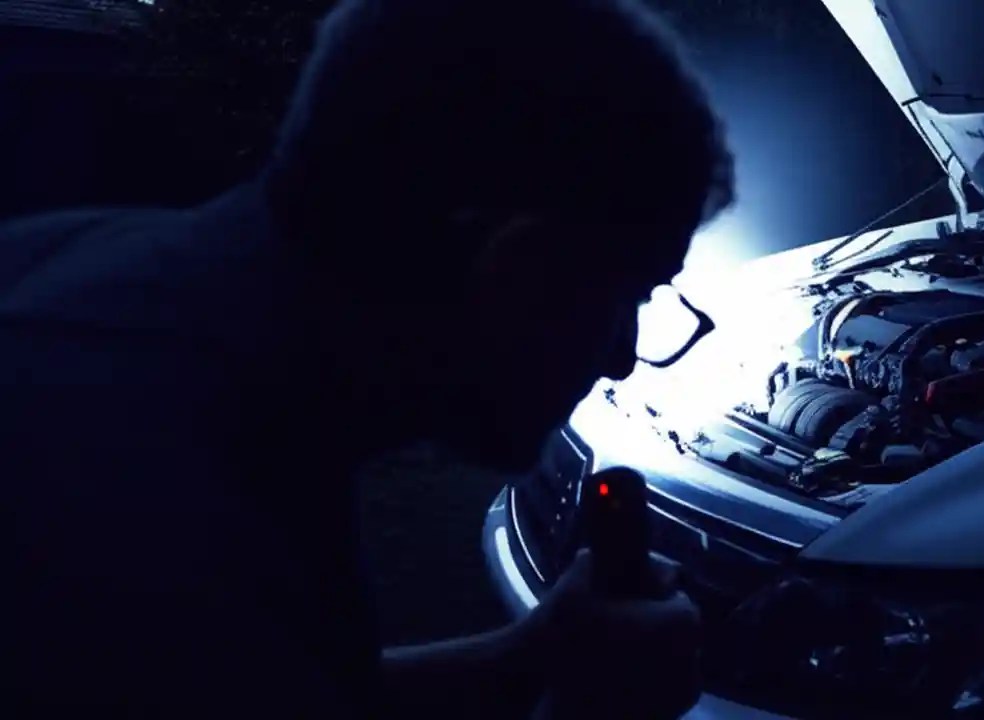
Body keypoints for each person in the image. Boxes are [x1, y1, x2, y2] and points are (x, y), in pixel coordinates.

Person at [2, 0, 734, 717]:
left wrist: (527, 658)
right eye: (630, 295)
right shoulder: (155, 526)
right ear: (519, 270)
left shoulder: (92, 278)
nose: (622, 360)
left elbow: (274, 683)